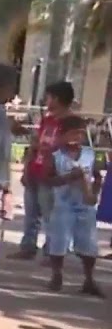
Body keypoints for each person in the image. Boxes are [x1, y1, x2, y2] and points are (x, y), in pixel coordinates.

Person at [14, 81, 76, 259]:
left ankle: (53, 250)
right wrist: (27, 167)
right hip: (36, 168)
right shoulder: (47, 119)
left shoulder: (71, 123)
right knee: (31, 212)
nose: (46, 101)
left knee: (51, 215)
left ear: (57, 98)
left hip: (52, 174)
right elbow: (35, 142)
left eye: (49, 97)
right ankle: (28, 246)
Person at [43, 115, 103, 297]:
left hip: (85, 204)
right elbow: (48, 179)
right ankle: (57, 275)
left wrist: (93, 190)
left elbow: (97, 175)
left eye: (80, 134)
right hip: (63, 204)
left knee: (88, 243)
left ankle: (89, 278)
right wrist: (69, 177)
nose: (77, 138)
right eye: (73, 134)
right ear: (62, 135)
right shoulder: (55, 156)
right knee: (59, 241)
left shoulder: (89, 154)